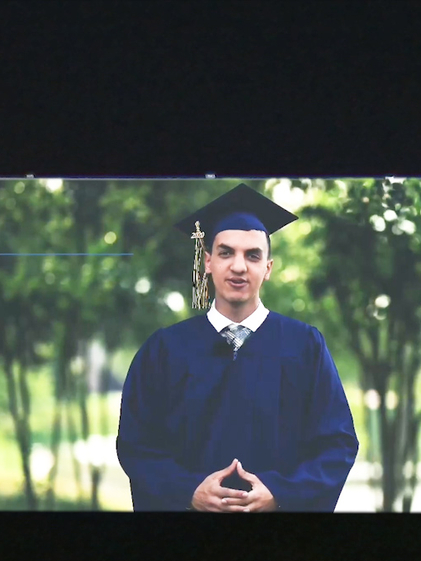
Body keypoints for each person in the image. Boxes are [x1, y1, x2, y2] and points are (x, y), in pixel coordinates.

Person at [117, 184, 358, 512]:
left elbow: (337, 445)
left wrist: (281, 493)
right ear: (207, 262)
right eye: (226, 252)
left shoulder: (305, 346)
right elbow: (137, 446)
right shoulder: (165, 350)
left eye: (253, 255)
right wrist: (188, 491)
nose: (239, 266)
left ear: (268, 268)